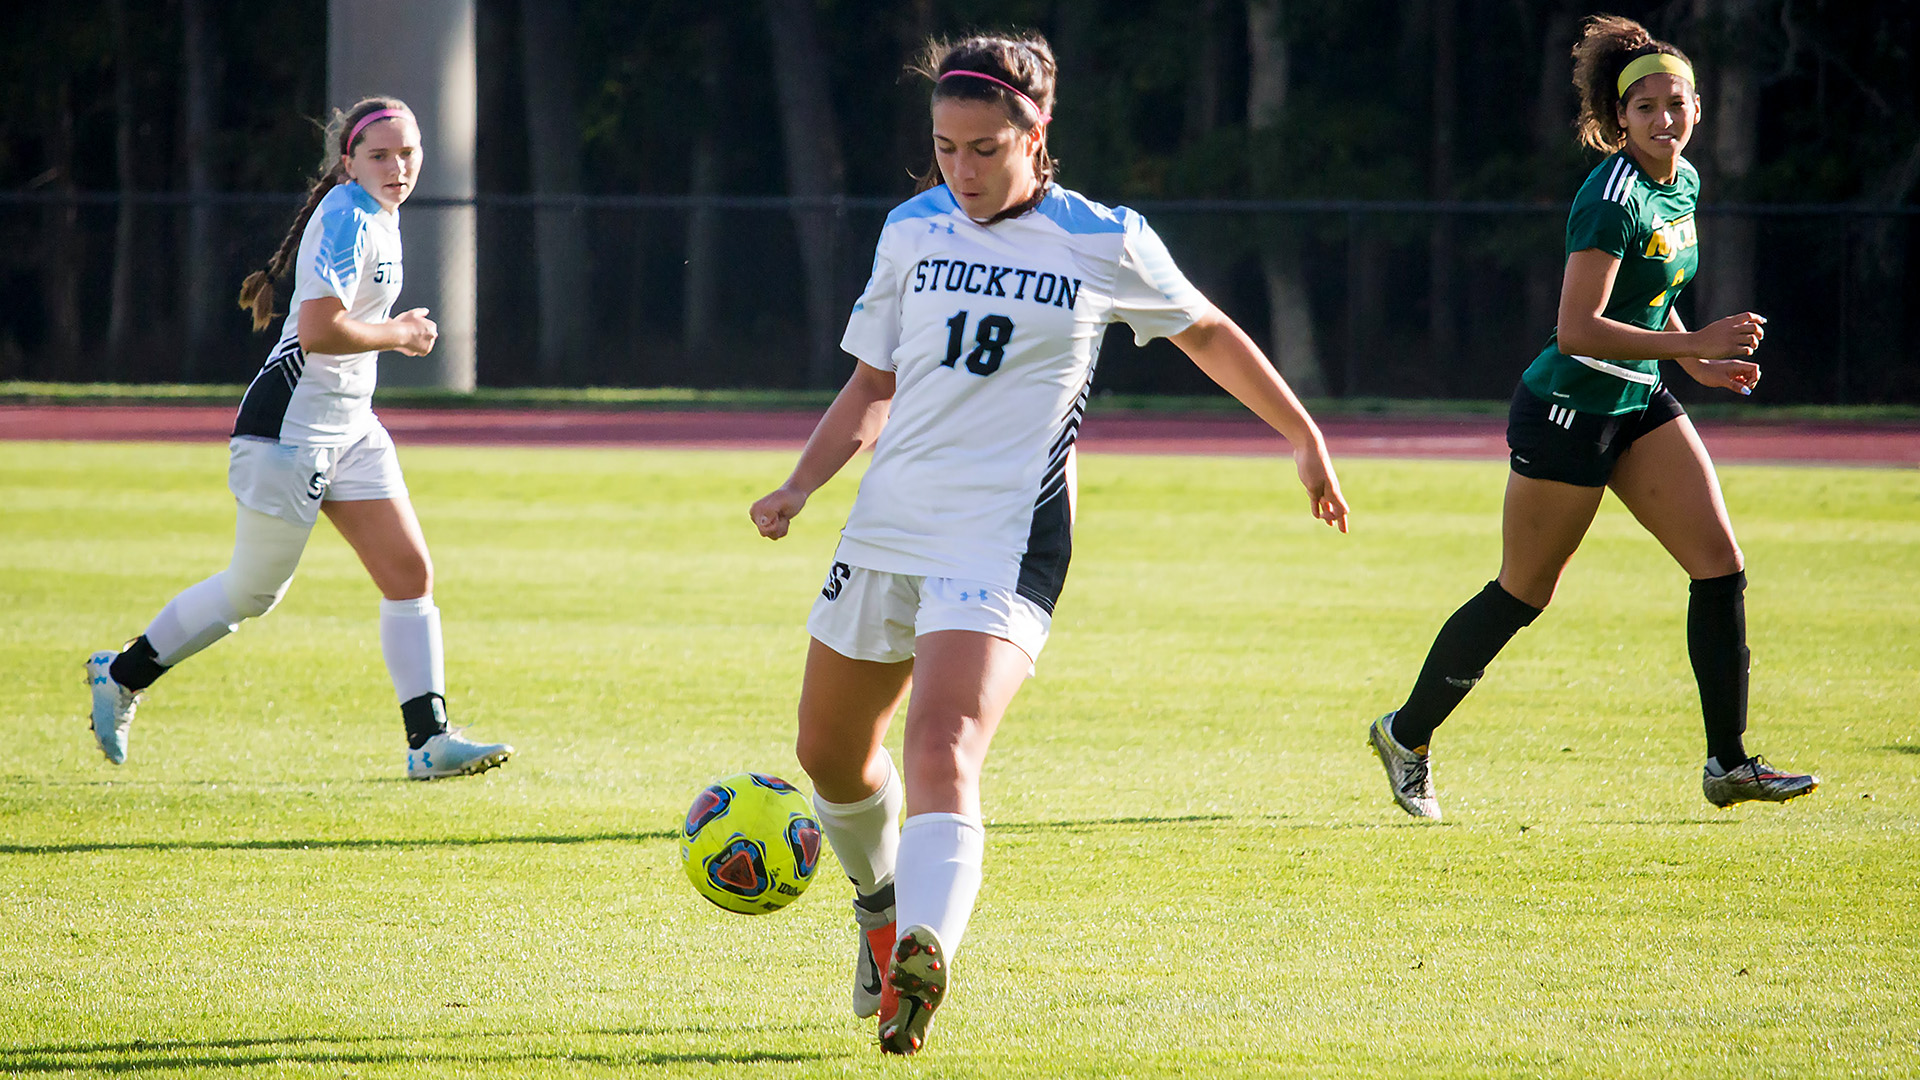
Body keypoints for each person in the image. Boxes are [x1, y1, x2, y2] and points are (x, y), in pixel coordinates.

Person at [749, 32, 1348, 1056]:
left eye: (985, 149)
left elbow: (1206, 331)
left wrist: (1302, 434)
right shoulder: (909, 231)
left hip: (1003, 536)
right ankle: (882, 906)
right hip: (889, 522)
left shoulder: (1102, 240)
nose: (962, 170)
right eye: (945, 148)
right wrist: (802, 484)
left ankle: (925, 955)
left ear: (1037, 134)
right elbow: (873, 383)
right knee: (828, 756)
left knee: (942, 745)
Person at [1366, 15, 1816, 821]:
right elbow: (1578, 328)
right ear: (1619, 118)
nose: (1663, 119)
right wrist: (1694, 344)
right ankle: (1407, 734)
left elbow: (1653, 292)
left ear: (1698, 108)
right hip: (1568, 410)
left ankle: (1729, 763)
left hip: (1636, 396)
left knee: (1719, 565)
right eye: (1645, 108)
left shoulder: (1683, 181)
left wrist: (1693, 360)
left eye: (1676, 103)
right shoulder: (1612, 196)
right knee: (1523, 592)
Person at [84, 97, 512, 781]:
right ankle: (121, 674)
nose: (397, 167)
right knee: (254, 591)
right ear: (348, 161)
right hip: (290, 428)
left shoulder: (381, 213)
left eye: (407, 153)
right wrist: (401, 334)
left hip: (351, 425)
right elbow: (318, 330)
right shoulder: (346, 216)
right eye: (379, 155)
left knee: (409, 575)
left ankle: (428, 742)